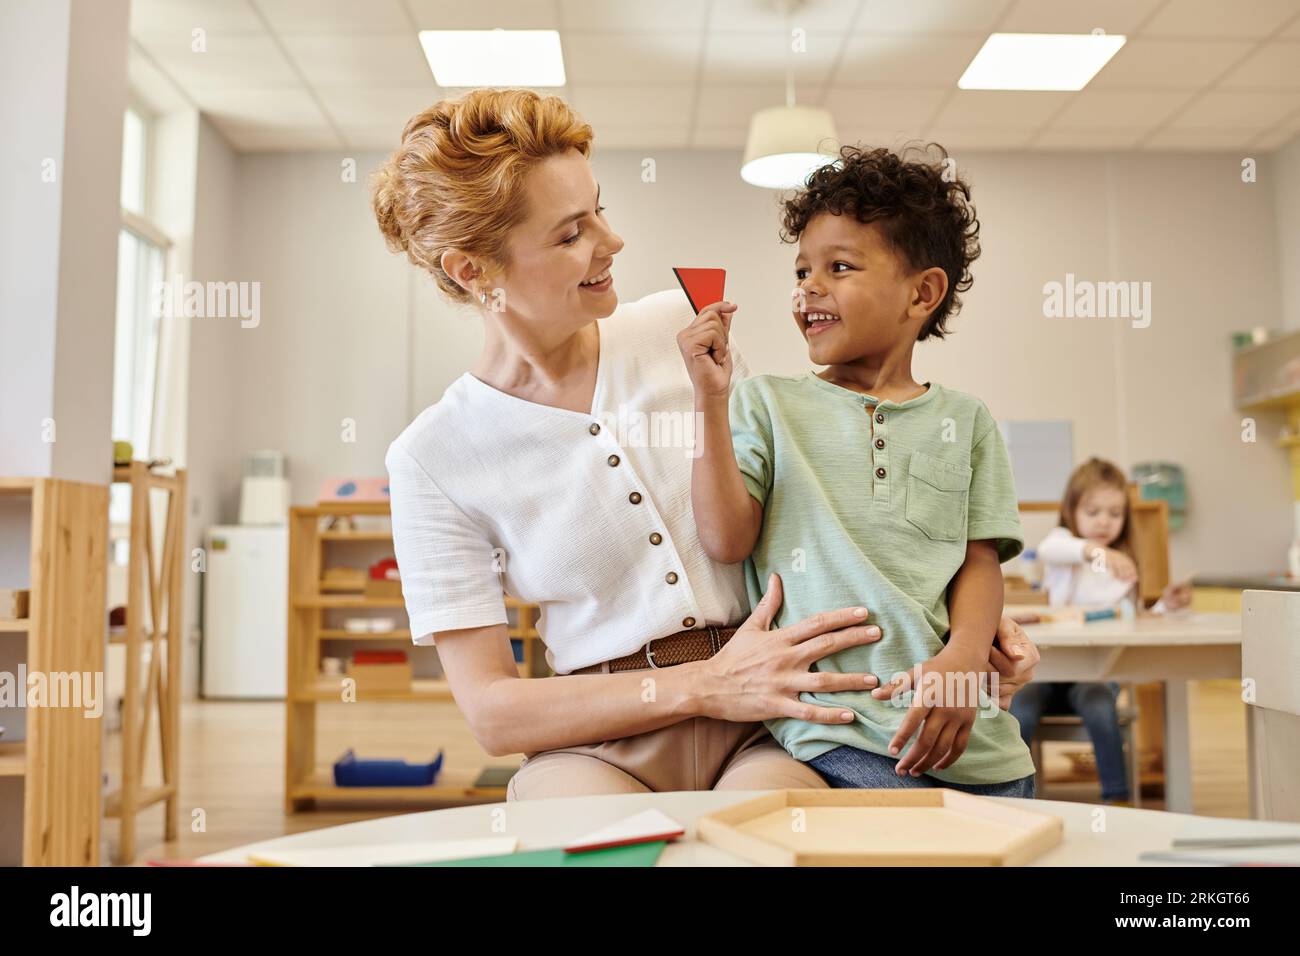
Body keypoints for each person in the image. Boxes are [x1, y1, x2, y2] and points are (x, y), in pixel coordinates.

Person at [373, 89, 1041, 800]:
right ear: (472, 271)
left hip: (777, 725)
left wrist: (964, 629)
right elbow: (495, 715)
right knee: (574, 835)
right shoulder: (432, 457)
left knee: (774, 838)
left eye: (601, 210)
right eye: (570, 234)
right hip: (600, 743)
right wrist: (705, 686)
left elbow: (814, 499)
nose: (611, 241)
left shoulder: (682, 328)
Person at [680, 144, 1035, 796]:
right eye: (802, 271)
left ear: (922, 292)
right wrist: (710, 399)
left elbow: (979, 561)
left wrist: (960, 659)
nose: (808, 287)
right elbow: (725, 539)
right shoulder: (766, 403)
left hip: (981, 747)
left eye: (839, 267)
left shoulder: (968, 419)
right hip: (839, 736)